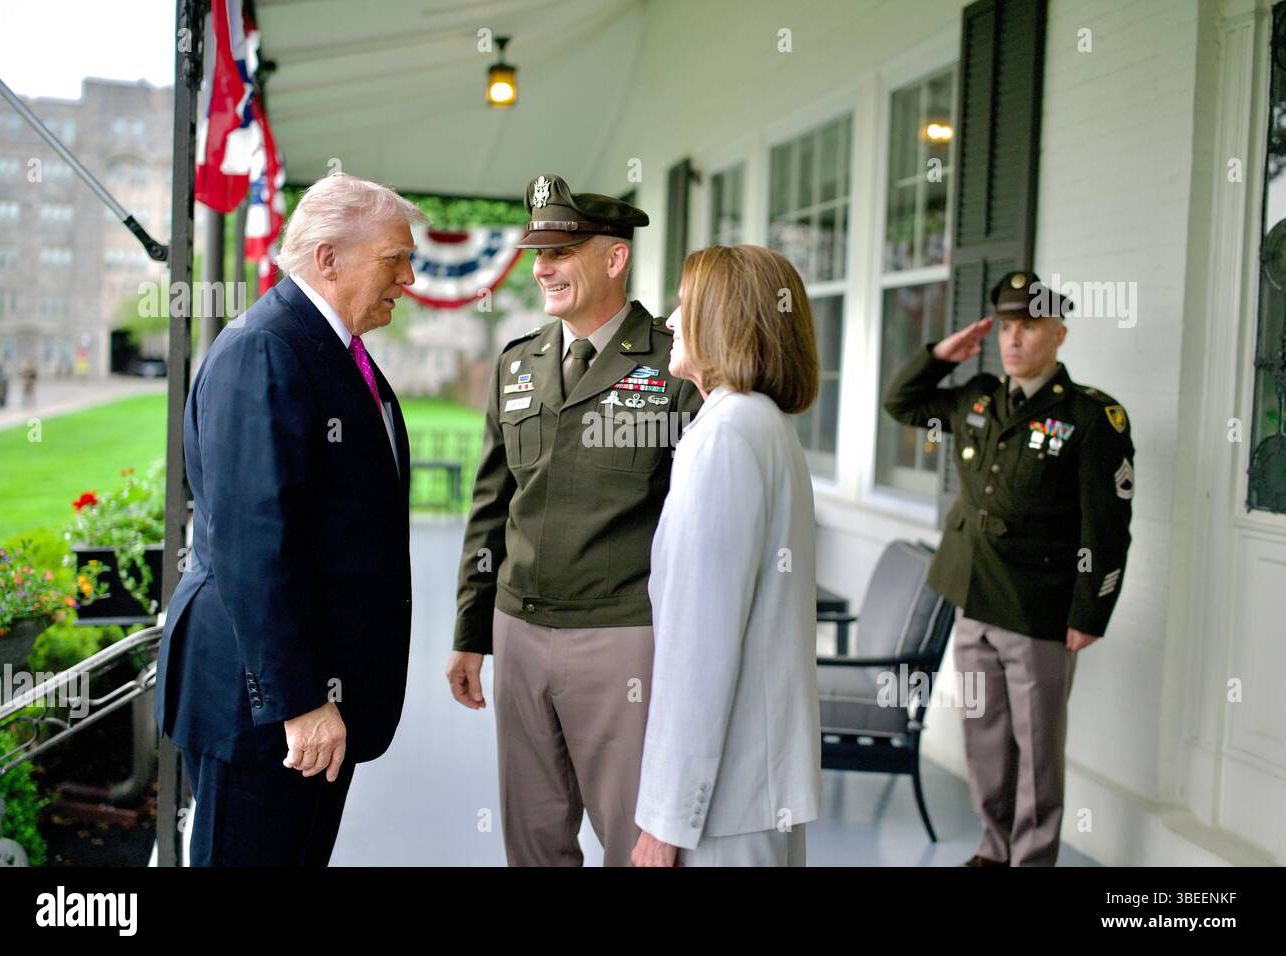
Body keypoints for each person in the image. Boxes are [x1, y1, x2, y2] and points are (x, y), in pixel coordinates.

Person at [154, 173, 423, 866]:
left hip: (303, 706)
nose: (410, 276)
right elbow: (253, 547)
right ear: (328, 258)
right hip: (264, 712)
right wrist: (300, 702)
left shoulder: (327, 349)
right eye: (395, 258)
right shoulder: (265, 349)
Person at [446, 173, 704, 866]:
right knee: (532, 841)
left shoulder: (676, 364)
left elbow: (701, 524)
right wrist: (472, 631)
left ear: (613, 258)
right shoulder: (517, 365)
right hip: (518, 631)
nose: (543, 268)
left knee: (634, 840)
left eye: (561, 252)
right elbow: (490, 508)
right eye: (538, 253)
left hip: (622, 639)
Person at [883, 270, 1135, 867]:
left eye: (1029, 326)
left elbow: (1107, 525)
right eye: (1005, 327)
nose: (1014, 339)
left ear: (1059, 334)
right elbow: (901, 403)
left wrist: (1089, 612)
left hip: (1039, 610)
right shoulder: (976, 399)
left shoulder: (1091, 417)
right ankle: (994, 849)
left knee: (1038, 748)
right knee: (985, 737)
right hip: (971, 598)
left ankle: (1032, 858)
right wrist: (941, 354)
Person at [630, 244, 822, 868]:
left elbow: (699, 648)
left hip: (724, 806)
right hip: (754, 788)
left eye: (684, 305)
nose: (667, 321)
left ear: (722, 318)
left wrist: (664, 820)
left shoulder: (726, 434)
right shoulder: (763, 424)